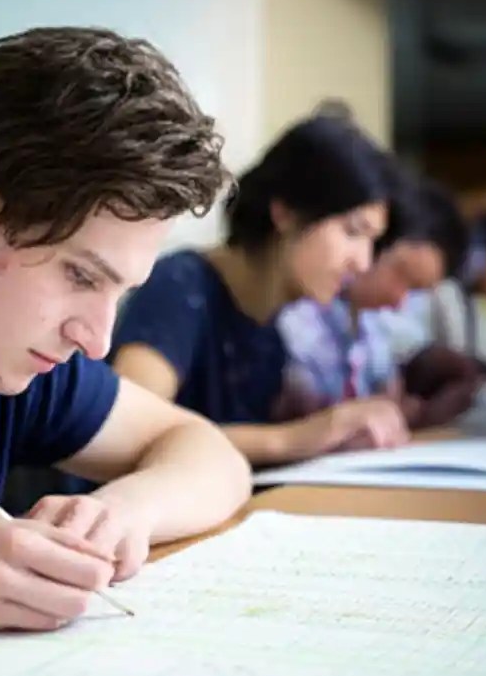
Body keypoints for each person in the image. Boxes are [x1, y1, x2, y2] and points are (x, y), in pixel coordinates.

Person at [0, 27, 253, 641]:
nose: (96, 342)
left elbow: (211, 455)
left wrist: (123, 511)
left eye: (119, 293)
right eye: (80, 276)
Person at [110, 115, 411, 467]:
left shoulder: (272, 326)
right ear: (285, 212)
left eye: (372, 242)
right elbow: (127, 430)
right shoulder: (180, 286)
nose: (363, 262)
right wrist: (299, 436)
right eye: (353, 231)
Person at [274, 174, 482, 433]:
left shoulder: (370, 326)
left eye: (414, 292)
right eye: (401, 275)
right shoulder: (296, 311)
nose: (399, 301)